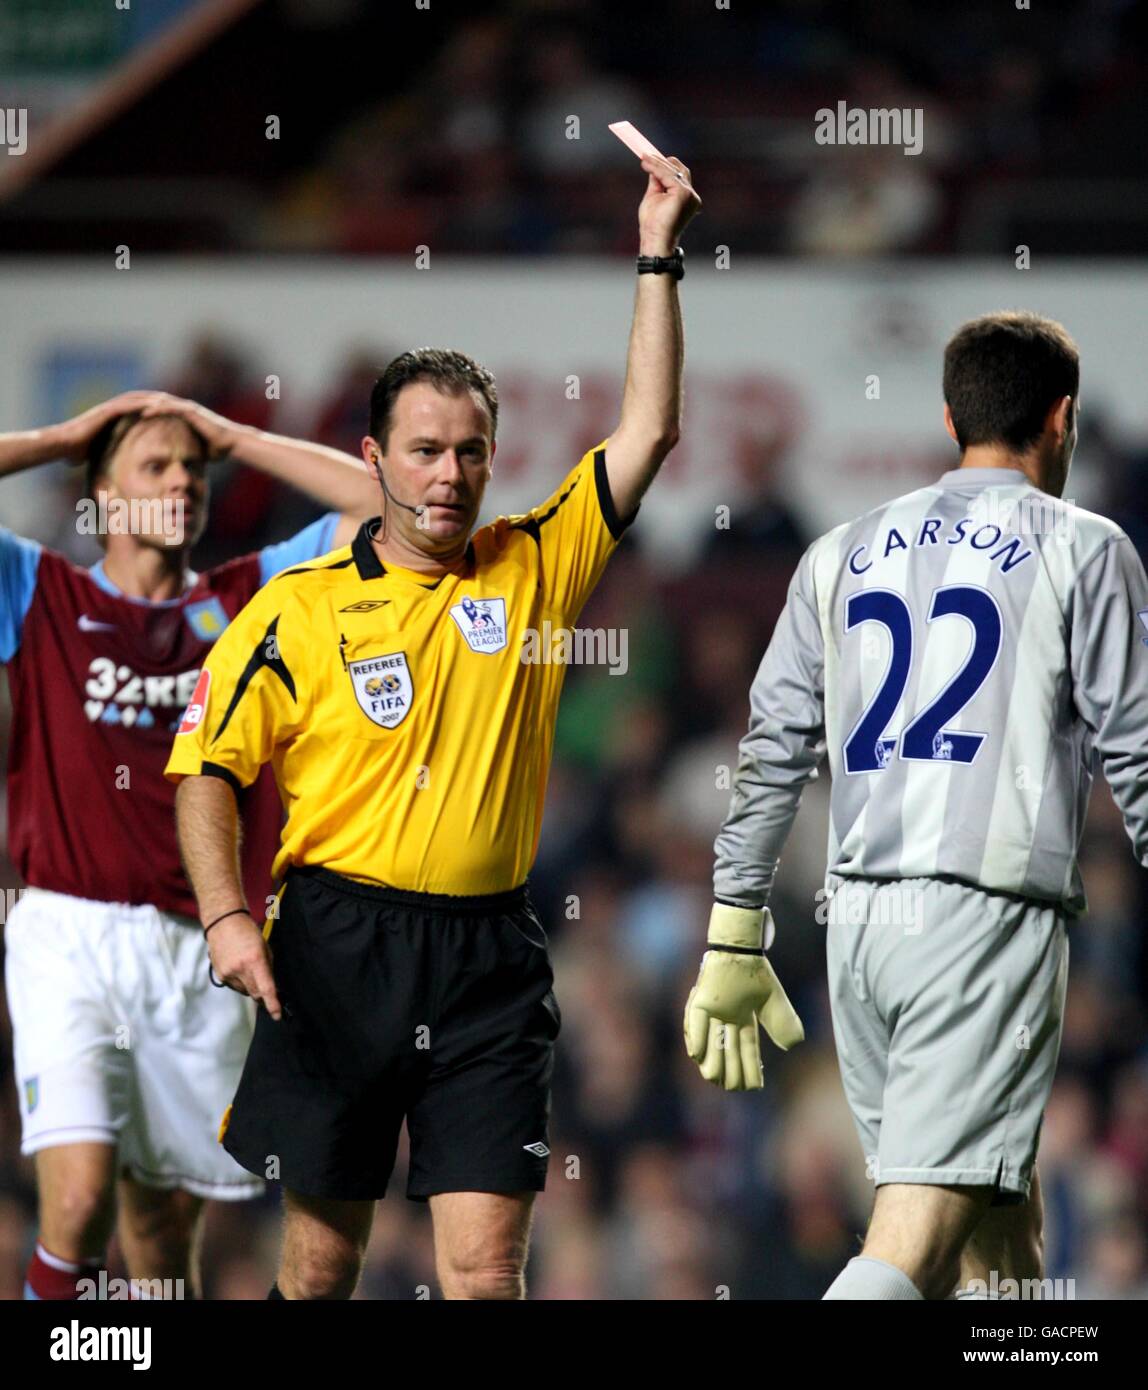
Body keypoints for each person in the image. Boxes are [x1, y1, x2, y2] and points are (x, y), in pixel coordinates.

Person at [166, 154, 701, 1300]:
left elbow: (647, 431)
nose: (449, 475)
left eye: (468, 451)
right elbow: (205, 768)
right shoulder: (296, 610)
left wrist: (656, 251)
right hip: (333, 946)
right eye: (422, 450)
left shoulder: (532, 563)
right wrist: (223, 917)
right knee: (317, 1266)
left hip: (485, 964)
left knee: (483, 1266)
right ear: (373, 460)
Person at [685, 311, 1148, 1300]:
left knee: (996, 1236)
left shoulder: (839, 551)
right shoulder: (1084, 548)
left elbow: (769, 753)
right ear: (1059, 418)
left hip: (860, 927)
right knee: (908, 1241)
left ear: (948, 418)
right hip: (976, 922)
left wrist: (733, 931)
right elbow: (1139, 759)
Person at [0, 391, 381, 1299]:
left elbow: (379, 505)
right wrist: (62, 438)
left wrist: (237, 438)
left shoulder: (247, 596)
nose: (180, 481)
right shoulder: (40, 593)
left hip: (201, 947)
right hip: (68, 935)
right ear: (101, 495)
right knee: (82, 1193)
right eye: (154, 466)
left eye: (192, 468)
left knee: (164, 1241)